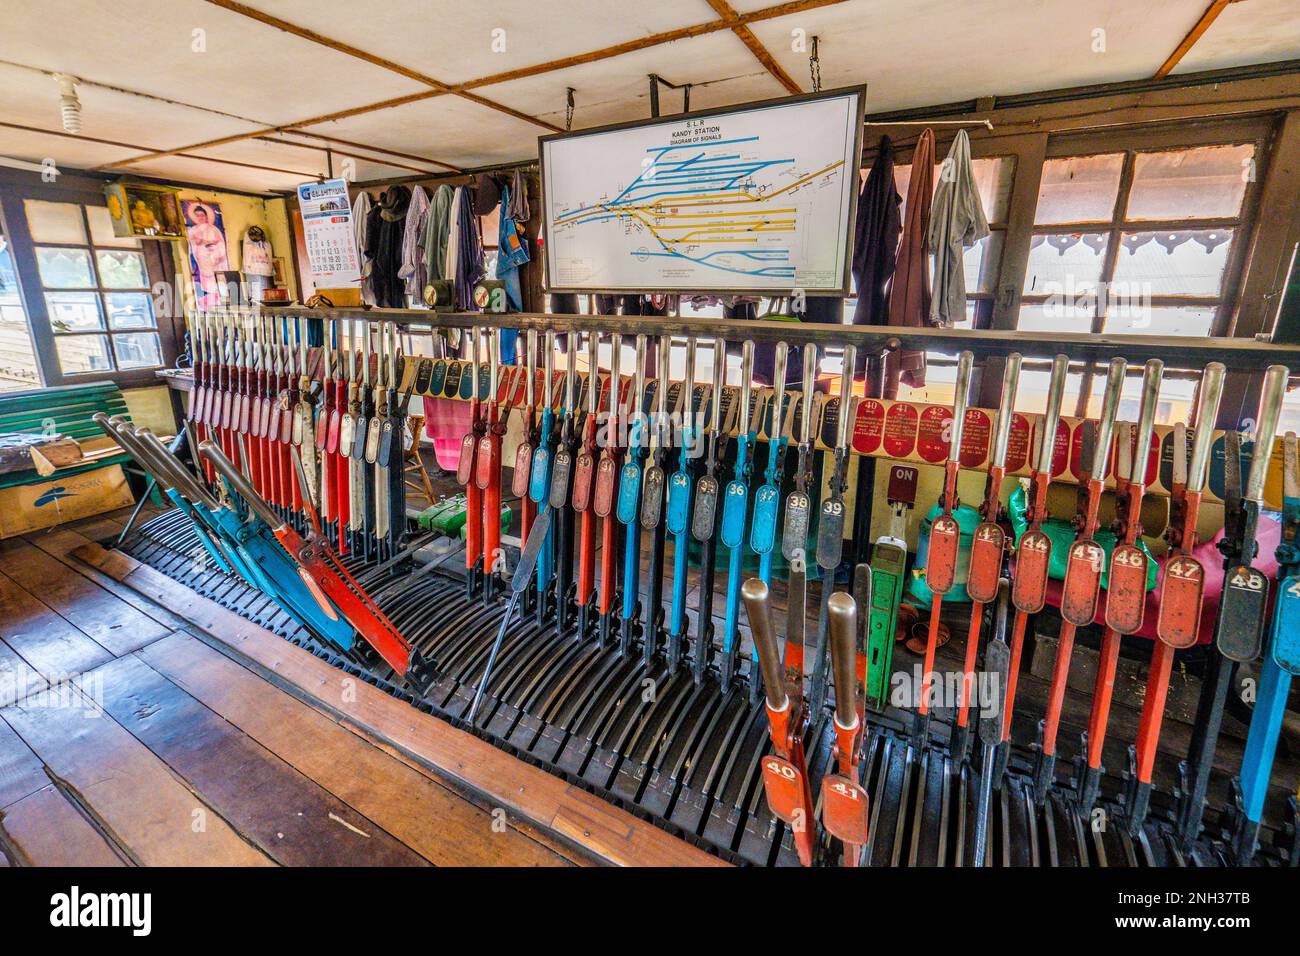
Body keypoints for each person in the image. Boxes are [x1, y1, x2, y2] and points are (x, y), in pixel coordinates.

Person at [186, 203, 228, 308]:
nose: (200, 218)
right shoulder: (193, 230)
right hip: (203, 259)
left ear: (206, 216)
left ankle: (219, 300)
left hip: (215, 258)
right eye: (197, 215)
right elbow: (194, 243)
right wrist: (203, 243)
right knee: (207, 282)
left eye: (202, 215)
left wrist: (214, 248)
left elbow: (221, 243)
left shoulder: (213, 229)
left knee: (219, 282)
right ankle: (209, 303)